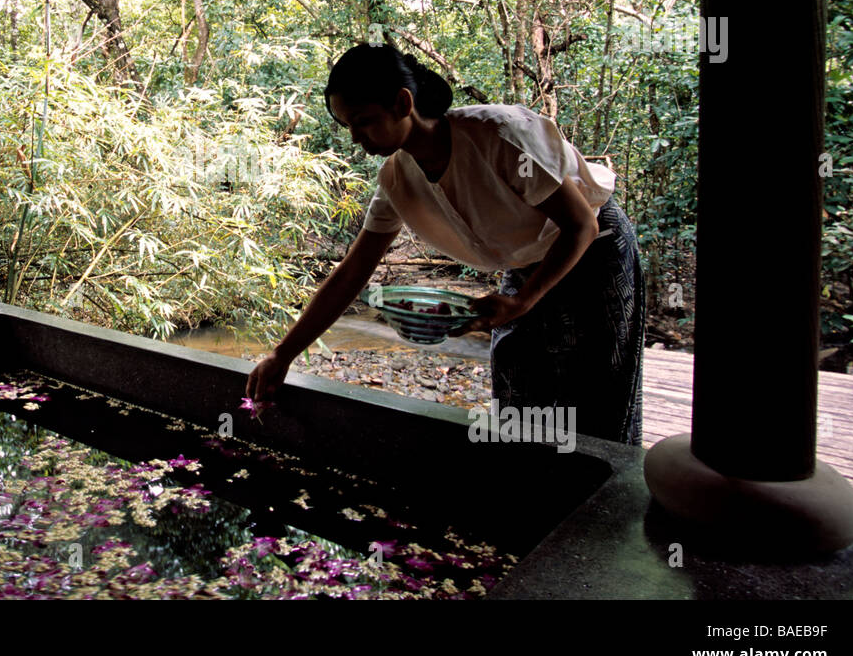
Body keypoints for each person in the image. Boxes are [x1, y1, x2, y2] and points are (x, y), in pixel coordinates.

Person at [245, 42, 644, 446]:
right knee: (518, 385)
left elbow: (581, 225)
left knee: (595, 394)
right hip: (525, 262)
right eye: (349, 126)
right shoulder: (397, 179)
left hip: (593, 252)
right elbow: (353, 270)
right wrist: (284, 353)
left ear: (403, 102)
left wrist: (522, 302)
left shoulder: (500, 136)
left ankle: (603, 501)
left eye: (363, 121)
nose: (356, 138)